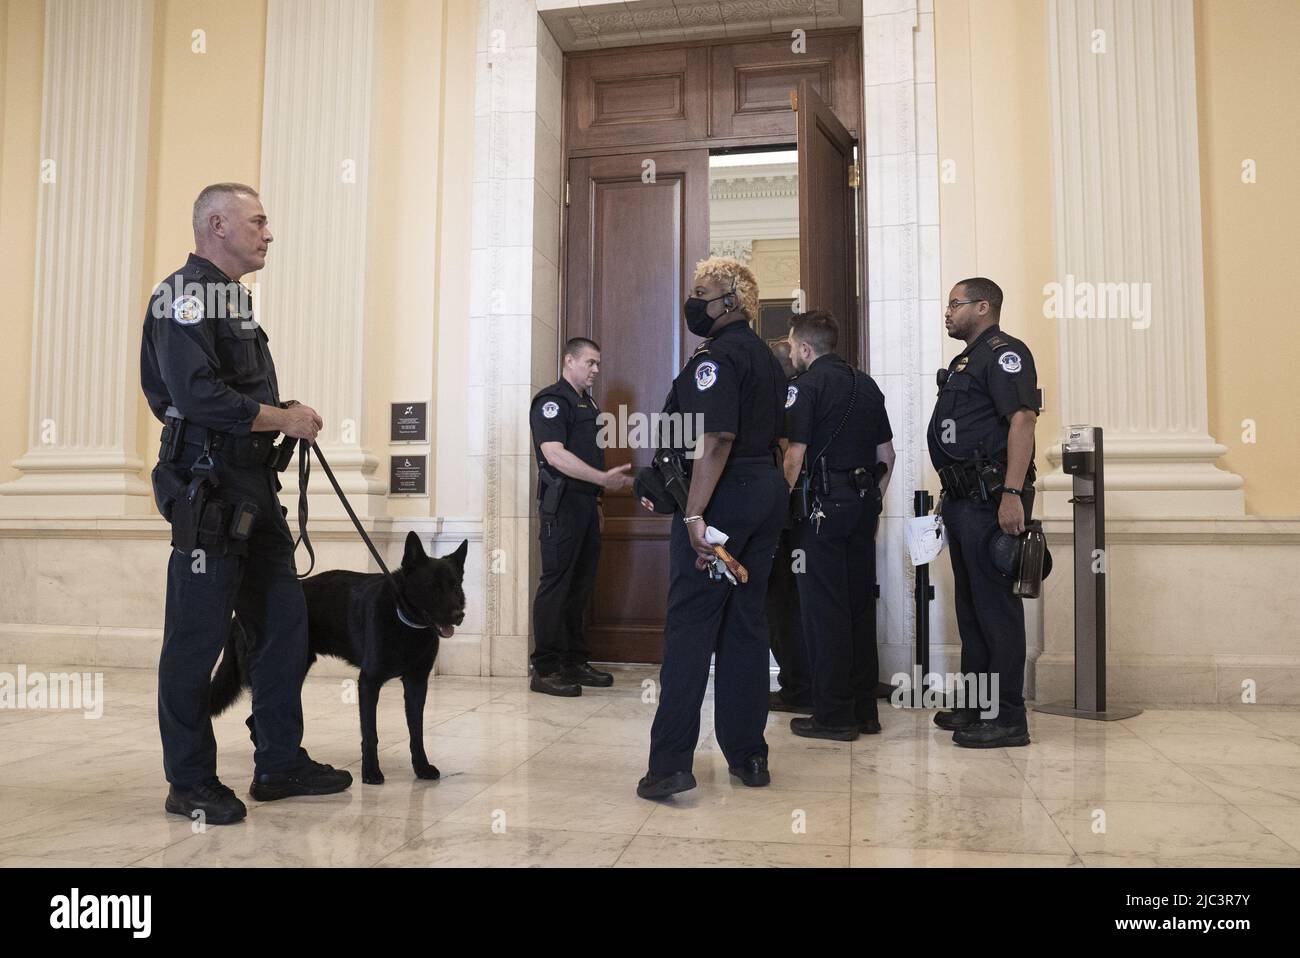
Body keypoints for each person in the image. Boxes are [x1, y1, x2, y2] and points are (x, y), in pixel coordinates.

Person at [140, 182, 352, 826]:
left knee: (285, 625)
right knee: (196, 640)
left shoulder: (234, 300)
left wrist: (278, 421)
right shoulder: (181, 297)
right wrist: (280, 417)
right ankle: (190, 781)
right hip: (208, 489)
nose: (268, 232)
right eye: (257, 221)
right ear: (216, 224)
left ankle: (280, 761)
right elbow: (196, 395)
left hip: (255, 490)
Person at [637, 258, 788, 800]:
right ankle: (749, 757)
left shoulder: (716, 358)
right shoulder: (770, 359)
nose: (693, 301)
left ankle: (671, 766)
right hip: (766, 493)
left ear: (732, 301)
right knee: (746, 627)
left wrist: (696, 513)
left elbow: (716, 439)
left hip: (722, 496)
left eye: (703, 292)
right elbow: (791, 443)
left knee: (691, 629)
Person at [927, 277, 1039, 748]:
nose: (947, 312)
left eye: (955, 304)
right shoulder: (965, 360)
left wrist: (1012, 493)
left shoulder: (1005, 352)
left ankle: (1009, 717)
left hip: (993, 498)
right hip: (963, 499)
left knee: (996, 608)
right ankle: (976, 704)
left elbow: (1023, 419)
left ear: (983, 306)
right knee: (971, 610)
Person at [782, 311, 895, 740]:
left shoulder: (804, 388)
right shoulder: (867, 386)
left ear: (806, 348)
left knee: (823, 610)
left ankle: (833, 715)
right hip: (862, 507)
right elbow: (887, 456)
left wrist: (780, 511)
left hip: (820, 513)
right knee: (858, 607)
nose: (791, 353)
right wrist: (870, 503)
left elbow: (795, 456)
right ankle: (865, 710)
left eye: (793, 346)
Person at [529, 337, 633, 696]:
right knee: (556, 587)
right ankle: (545, 668)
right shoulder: (552, 402)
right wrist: (603, 480)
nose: (596, 370)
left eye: (598, 364)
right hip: (562, 508)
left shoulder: (585, 403)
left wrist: (599, 502)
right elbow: (555, 455)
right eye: (590, 363)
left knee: (579, 588)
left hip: (586, 506)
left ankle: (573, 661)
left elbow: (588, 454)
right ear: (569, 361)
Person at [765, 339, 813, 713]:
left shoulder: (789, 400)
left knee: (781, 606)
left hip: (786, 519)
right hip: (816, 519)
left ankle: (796, 685)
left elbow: (789, 456)